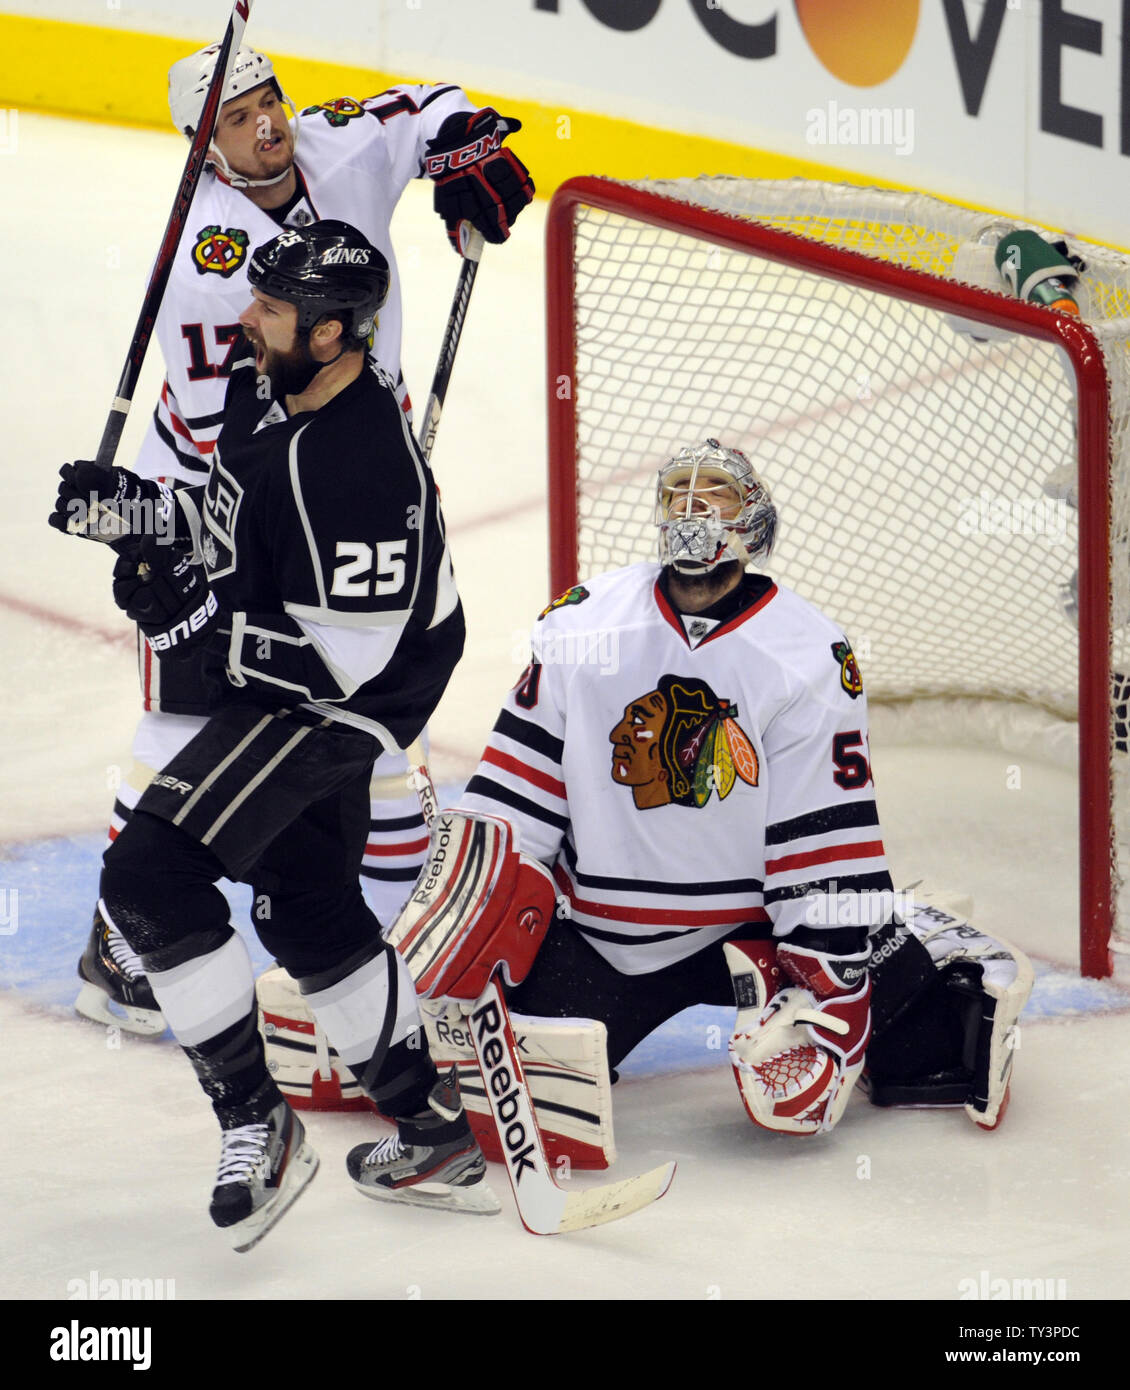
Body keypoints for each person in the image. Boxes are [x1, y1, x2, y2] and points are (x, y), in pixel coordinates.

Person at [50, 222, 498, 1250]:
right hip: (301, 673)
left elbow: (342, 662)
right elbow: (225, 524)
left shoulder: (364, 467)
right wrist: (137, 517)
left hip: (347, 700)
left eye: (271, 311)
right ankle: (431, 1131)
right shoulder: (267, 389)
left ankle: (257, 1117)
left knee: (149, 881)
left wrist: (191, 625)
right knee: (307, 909)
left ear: (334, 333)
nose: (246, 320)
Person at [74, 43, 534, 1034]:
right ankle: (122, 939)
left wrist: (464, 151)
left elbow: (422, 108)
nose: (267, 124)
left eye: (268, 101)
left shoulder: (336, 142)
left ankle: (376, 955)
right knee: (191, 713)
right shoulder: (206, 260)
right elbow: (225, 441)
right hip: (228, 482)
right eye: (237, 118)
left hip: (349, 468)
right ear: (204, 146)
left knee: (367, 718)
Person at [393, 439, 1031, 1143]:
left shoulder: (807, 654)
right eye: (677, 497)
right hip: (610, 941)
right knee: (527, 1082)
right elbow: (516, 795)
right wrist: (476, 904)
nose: (693, 510)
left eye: (716, 495)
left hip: (755, 937)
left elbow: (822, 840)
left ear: (752, 522)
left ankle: (920, 955)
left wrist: (834, 987)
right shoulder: (584, 623)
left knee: (924, 1061)